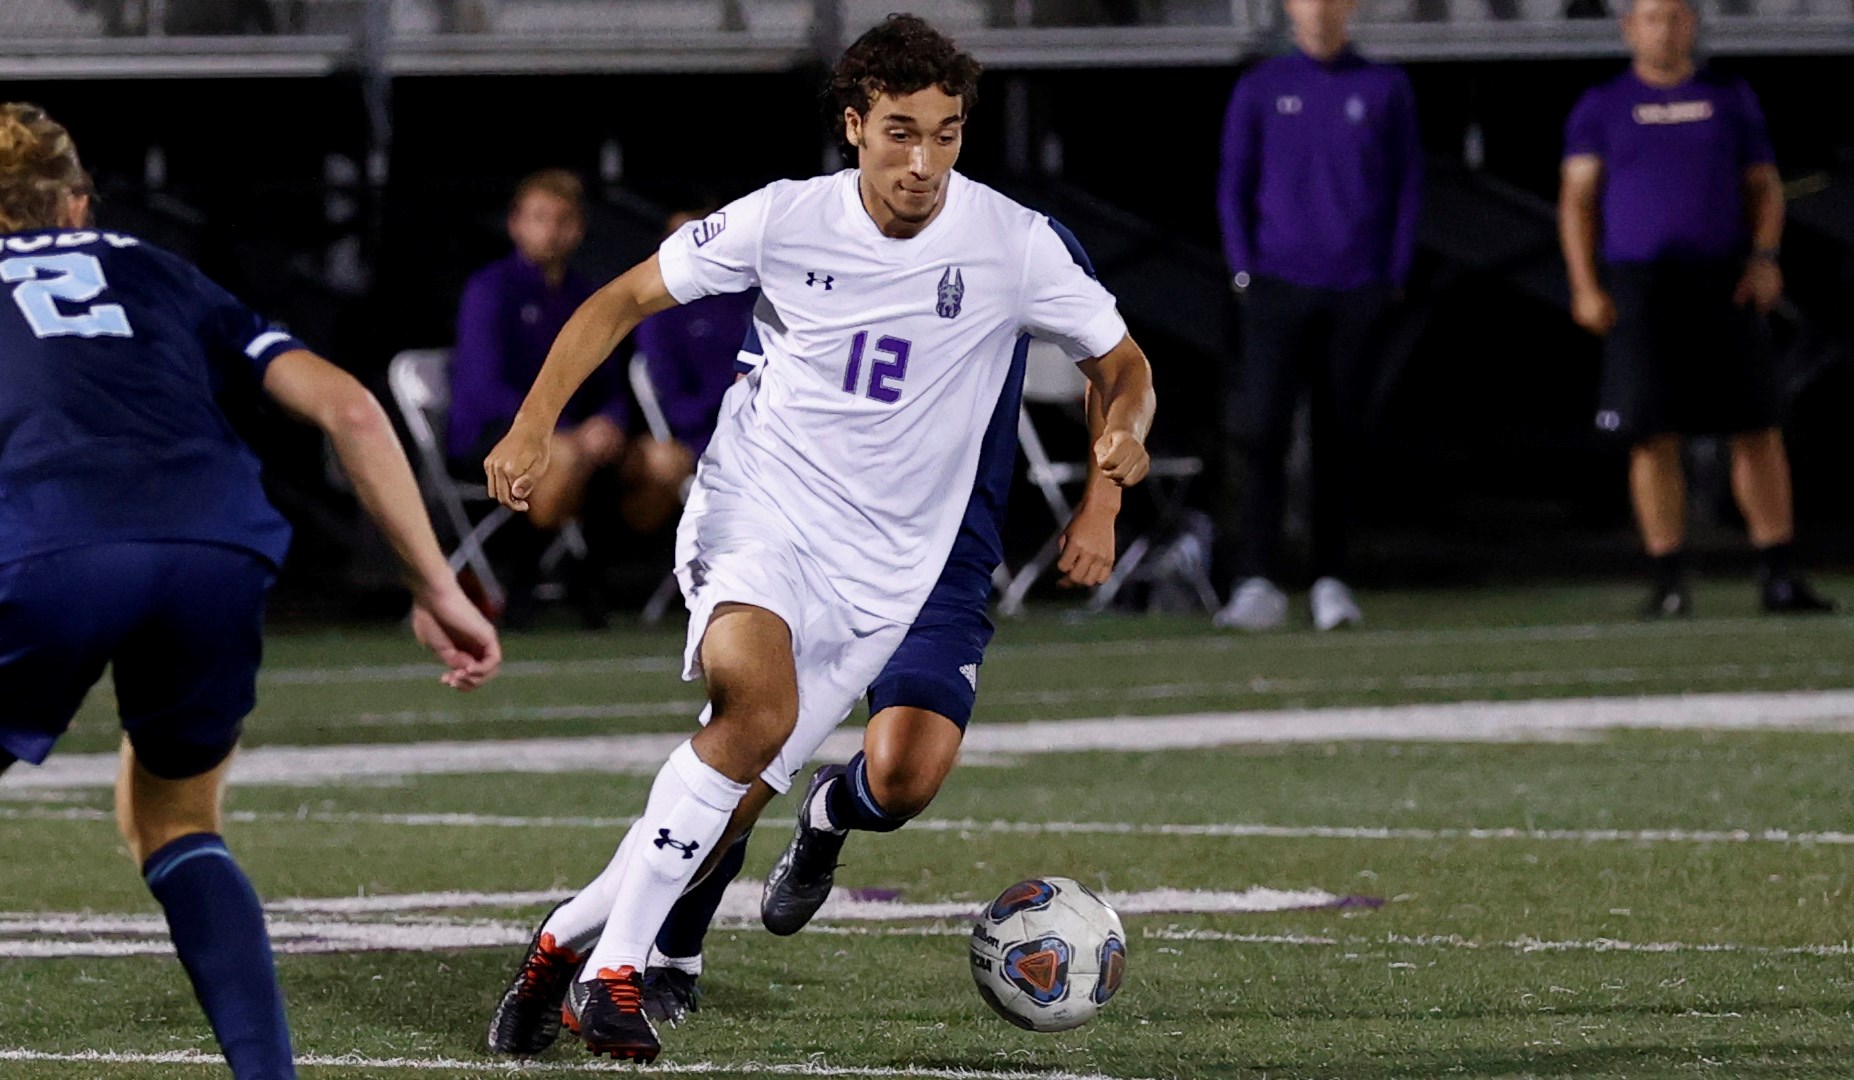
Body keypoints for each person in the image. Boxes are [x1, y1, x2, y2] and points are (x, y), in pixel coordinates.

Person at [480, 14, 1155, 1063]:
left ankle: (560, 944)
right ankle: (615, 972)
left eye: (945, 133)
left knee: (735, 792)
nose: (922, 161)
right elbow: (622, 300)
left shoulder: (1010, 242)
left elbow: (1124, 362)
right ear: (853, 126)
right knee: (753, 710)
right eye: (899, 132)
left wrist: (1116, 443)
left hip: (889, 574)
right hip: (760, 510)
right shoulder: (785, 220)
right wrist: (532, 423)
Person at [0, 103, 503, 1080]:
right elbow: (352, 408)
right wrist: (437, 584)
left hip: (51, 541)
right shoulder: (154, 267)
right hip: (215, 544)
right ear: (75, 201)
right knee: (178, 822)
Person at [566, 323, 1129, 1028]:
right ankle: (667, 958)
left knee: (903, 782)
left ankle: (830, 810)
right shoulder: (819, 236)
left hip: (940, 562)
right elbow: (745, 386)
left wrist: (1102, 503)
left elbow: (1117, 365)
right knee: (743, 756)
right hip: (815, 547)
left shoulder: (1019, 244)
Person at [1559, 0, 1834, 617]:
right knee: (1651, 435)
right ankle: (1669, 580)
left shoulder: (1729, 97)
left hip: (1723, 281)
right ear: (1630, 27)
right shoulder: (1602, 105)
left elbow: (1763, 186)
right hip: (1642, 285)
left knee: (1756, 427)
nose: (1667, 29)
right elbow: (1577, 201)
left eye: (1678, 16)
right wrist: (1584, 285)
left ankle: (1778, 573)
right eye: (1654, 17)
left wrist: (1765, 256)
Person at [1213, 0, 1422, 633]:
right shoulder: (1262, 86)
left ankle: (1332, 579)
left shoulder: (1385, 85)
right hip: (1277, 285)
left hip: (1356, 287)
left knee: (1340, 438)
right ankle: (1256, 580)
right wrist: (1244, 267)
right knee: (1265, 433)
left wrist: (1392, 273)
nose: (1322, 12)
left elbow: (1407, 183)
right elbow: (1234, 180)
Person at [449, 170, 687, 621]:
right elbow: (486, 390)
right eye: (539, 218)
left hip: (578, 440)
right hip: (498, 435)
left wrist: (612, 423)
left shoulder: (588, 294)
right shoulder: (489, 290)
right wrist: (556, 431)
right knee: (563, 458)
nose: (551, 231)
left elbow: (610, 384)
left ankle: (596, 569)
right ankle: (526, 573)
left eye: (562, 219)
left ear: (578, 228)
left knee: (666, 462)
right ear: (515, 224)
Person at [632, 206, 756, 461]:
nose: (694, 251)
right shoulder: (658, 317)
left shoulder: (752, 299)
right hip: (699, 438)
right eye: (681, 241)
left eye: (702, 238)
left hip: (766, 428)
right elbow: (675, 407)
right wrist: (728, 399)